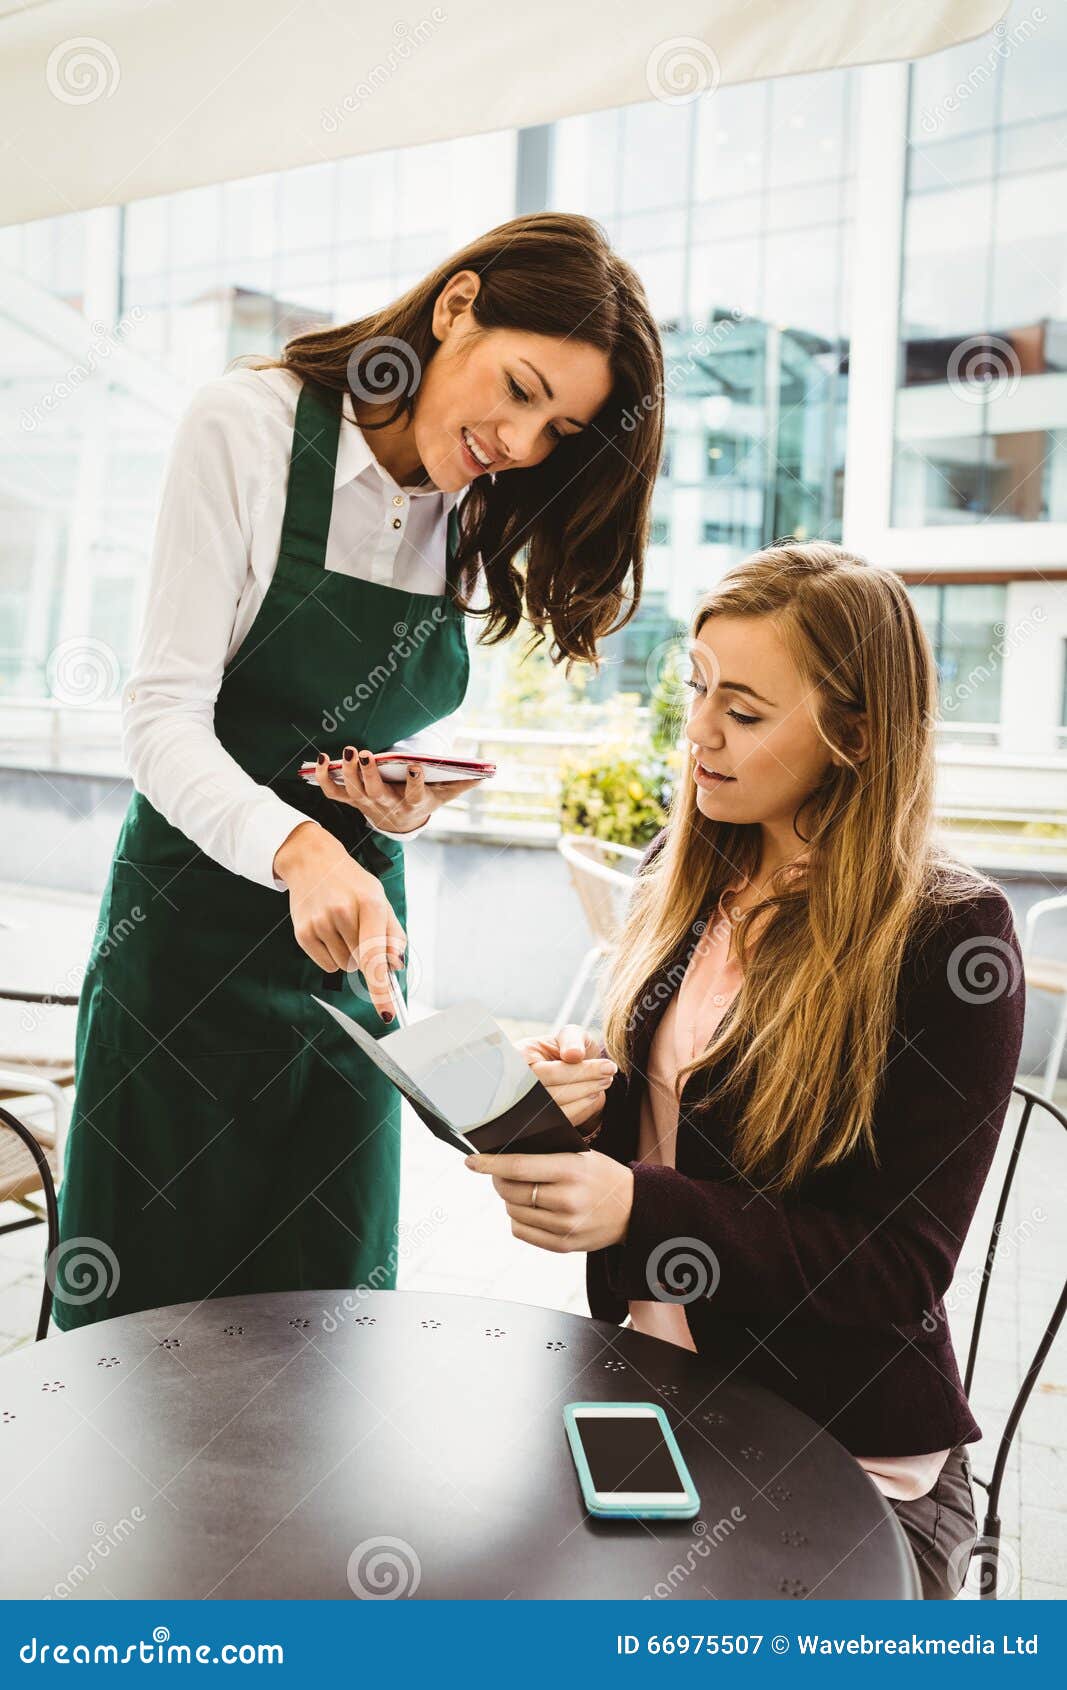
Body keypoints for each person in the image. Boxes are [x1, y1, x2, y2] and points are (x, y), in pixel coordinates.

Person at [53, 212, 664, 1332]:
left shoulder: (471, 498)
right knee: (144, 1338)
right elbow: (161, 718)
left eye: (558, 428)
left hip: (352, 970)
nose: (521, 444)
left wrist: (375, 797)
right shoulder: (243, 426)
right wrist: (297, 845)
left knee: (324, 1325)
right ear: (454, 306)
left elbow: (324, 729)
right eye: (519, 391)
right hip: (180, 953)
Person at [465, 540, 1025, 1599]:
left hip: (839, 1451)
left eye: (745, 710)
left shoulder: (949, 939)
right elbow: (689, 1130)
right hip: (654, 1395)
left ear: (854, 734)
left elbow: (895, 1270)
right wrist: (584, 1113)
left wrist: (636, 1205)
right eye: (694, 688)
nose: (698, 734)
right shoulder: (687, 873)